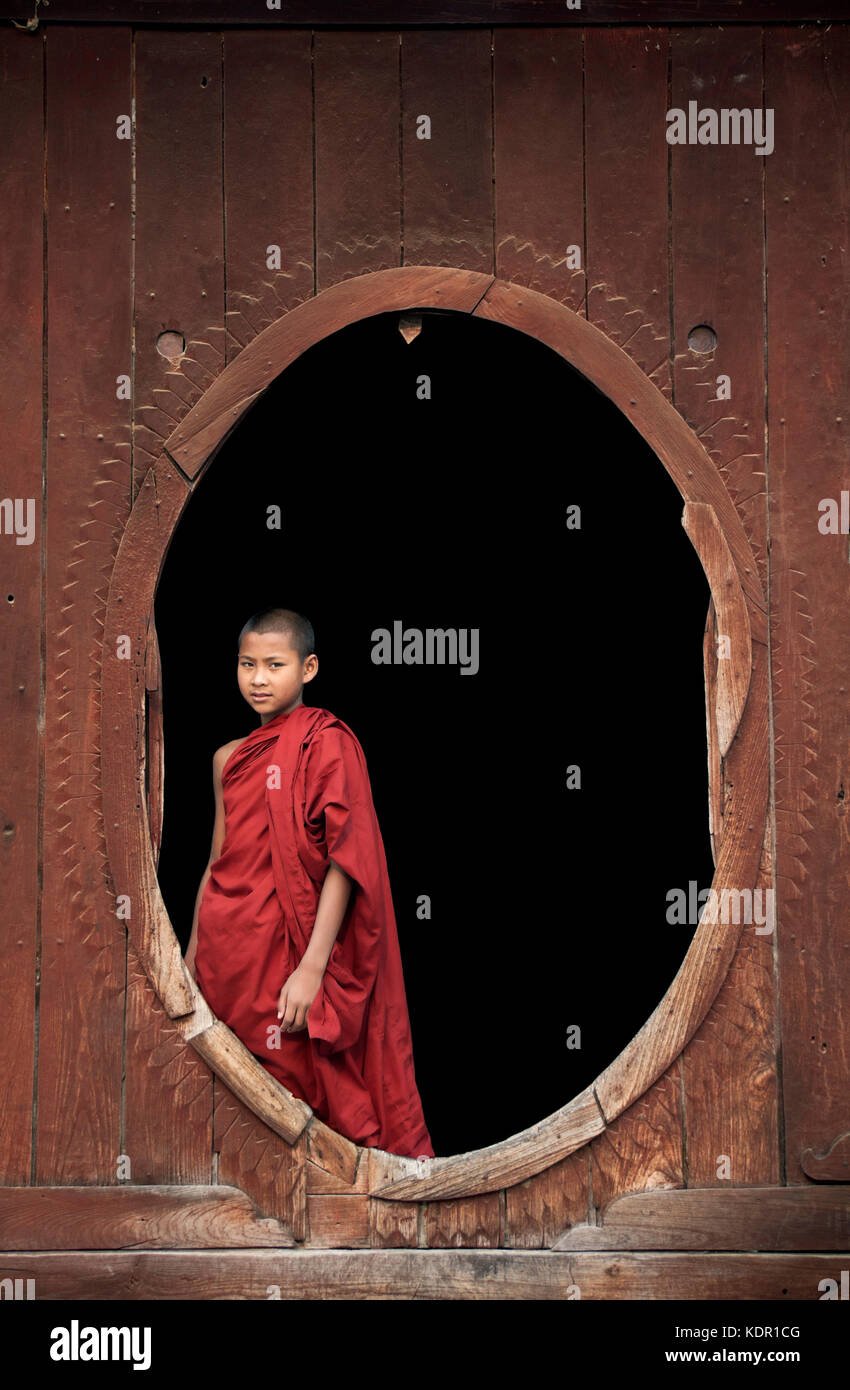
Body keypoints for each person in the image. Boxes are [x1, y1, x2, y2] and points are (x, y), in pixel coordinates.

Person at [183, 606, 434, 1160]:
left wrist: (312, 967)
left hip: (288, 953)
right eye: (247, 664)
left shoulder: (325, 742)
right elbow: (216, 861)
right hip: (228, 951)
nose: (258, 678)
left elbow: (348, 861)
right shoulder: (229, 758)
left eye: (275, 664)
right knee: (231, 1099)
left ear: (309, 668)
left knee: (302, 1092)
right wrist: (191, 955)